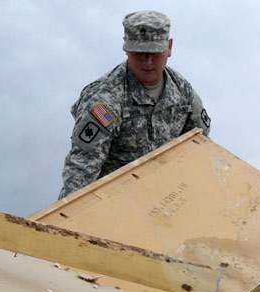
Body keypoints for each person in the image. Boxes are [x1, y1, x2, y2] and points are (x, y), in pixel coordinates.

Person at [59, 10, 211, 199]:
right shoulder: (105, 100)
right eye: (140, 53)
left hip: (168, 197)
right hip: (115, 203)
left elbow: (200, 144)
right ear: (126, 48)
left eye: (155, 53)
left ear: (169, 47)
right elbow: (81, 170)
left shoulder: (182, 90)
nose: (148, 62)